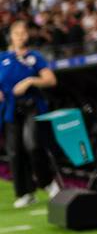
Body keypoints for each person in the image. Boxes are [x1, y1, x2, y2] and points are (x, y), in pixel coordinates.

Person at [0, 19, 58, 208]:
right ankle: (25, 192)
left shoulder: (35, 56)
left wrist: (31, 81)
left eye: (24, 33)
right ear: (11, 36)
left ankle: (48, 182)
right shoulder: (2, 58)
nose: (21, 37)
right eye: (17, 33)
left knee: (32, 144)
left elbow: (50, 80)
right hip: (10, 108)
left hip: (32, 107)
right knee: (14, 151)